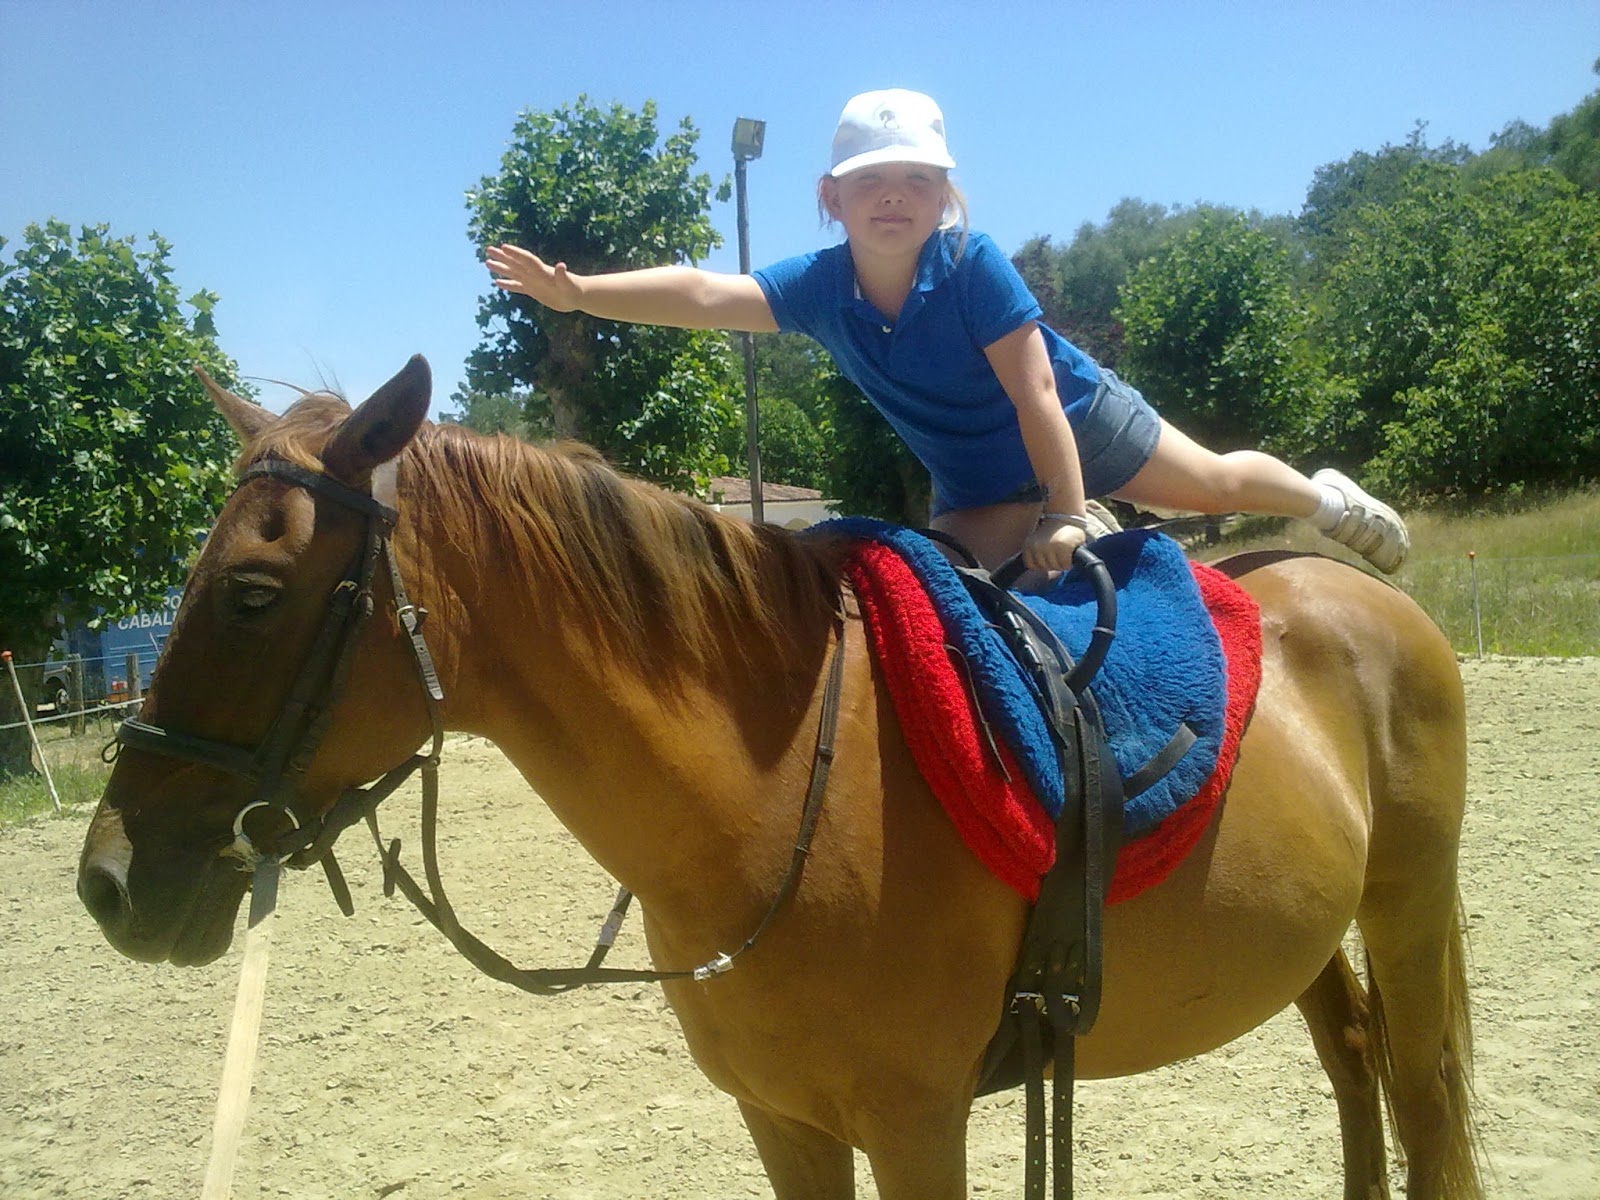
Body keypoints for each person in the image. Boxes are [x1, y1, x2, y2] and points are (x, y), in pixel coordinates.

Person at [484, 88, 1409, 576]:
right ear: (831, 197)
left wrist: (1069, 510)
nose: (896, 194)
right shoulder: (818, 288)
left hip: (1077, 431)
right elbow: (701, 293)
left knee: (1207, 487)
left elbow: (1036, 392)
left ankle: (1326, 501)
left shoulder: (972, 265)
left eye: (919, 179)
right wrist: (578, 295)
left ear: (945, 195)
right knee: (961, 600)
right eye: (873, 179)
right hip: (970, 479)